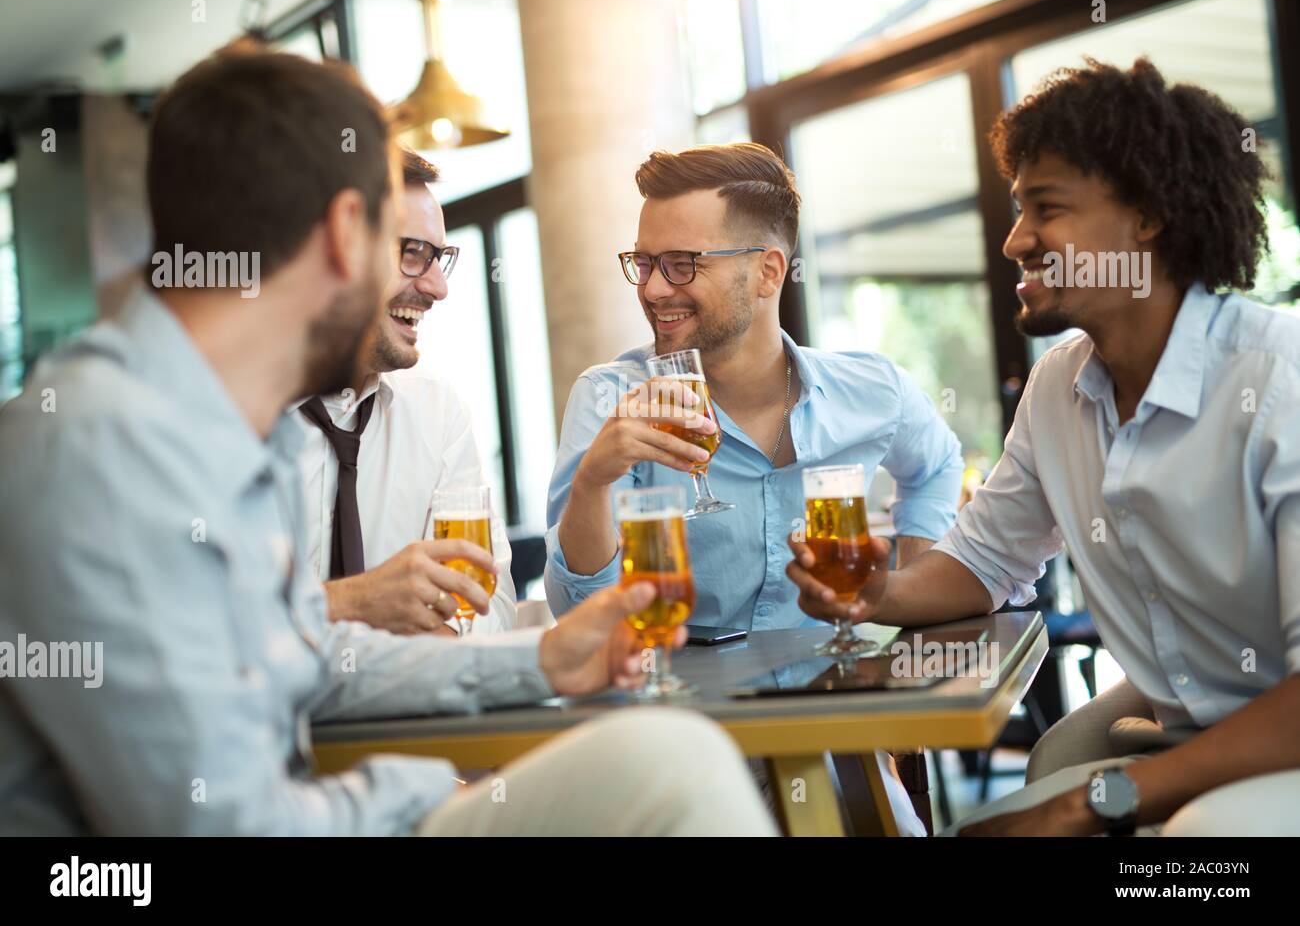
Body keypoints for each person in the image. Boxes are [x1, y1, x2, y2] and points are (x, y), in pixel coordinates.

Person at [0, 47, 773, 836]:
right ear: (344, 232)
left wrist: (542, 658)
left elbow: (312, 657)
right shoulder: (98, 448)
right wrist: (430, 792)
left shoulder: (219, 433)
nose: (436, 286)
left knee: (665, 755)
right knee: (675, 769)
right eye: (401, 246)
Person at [786, 58, 1300, 835]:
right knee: (1044, 773)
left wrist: (1087, 805)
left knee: (1190, 840)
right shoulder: (1061, 385)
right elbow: (986, 561)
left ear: (1149, 216)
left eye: (1044, 207)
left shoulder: (1278, 382)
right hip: (1190, 725)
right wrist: (874, 595)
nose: (1015, 240)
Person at [545, 142, 964, 632]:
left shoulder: (875, 391)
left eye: (682, 264)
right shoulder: (610, 400)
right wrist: (592, 482)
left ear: (768, 273)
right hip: (689, 701)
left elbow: (937, 466)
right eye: (644, 263)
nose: (654, 289)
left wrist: (911, 588)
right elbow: (580, 619)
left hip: (839, 687)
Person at [298, 149, 515, 637]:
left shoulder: (437, 412)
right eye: (412, 252)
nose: (438, 288)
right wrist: (350, 603)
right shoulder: (227, 421)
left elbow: (492, 602)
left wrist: (427, 637)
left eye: (440, 257)